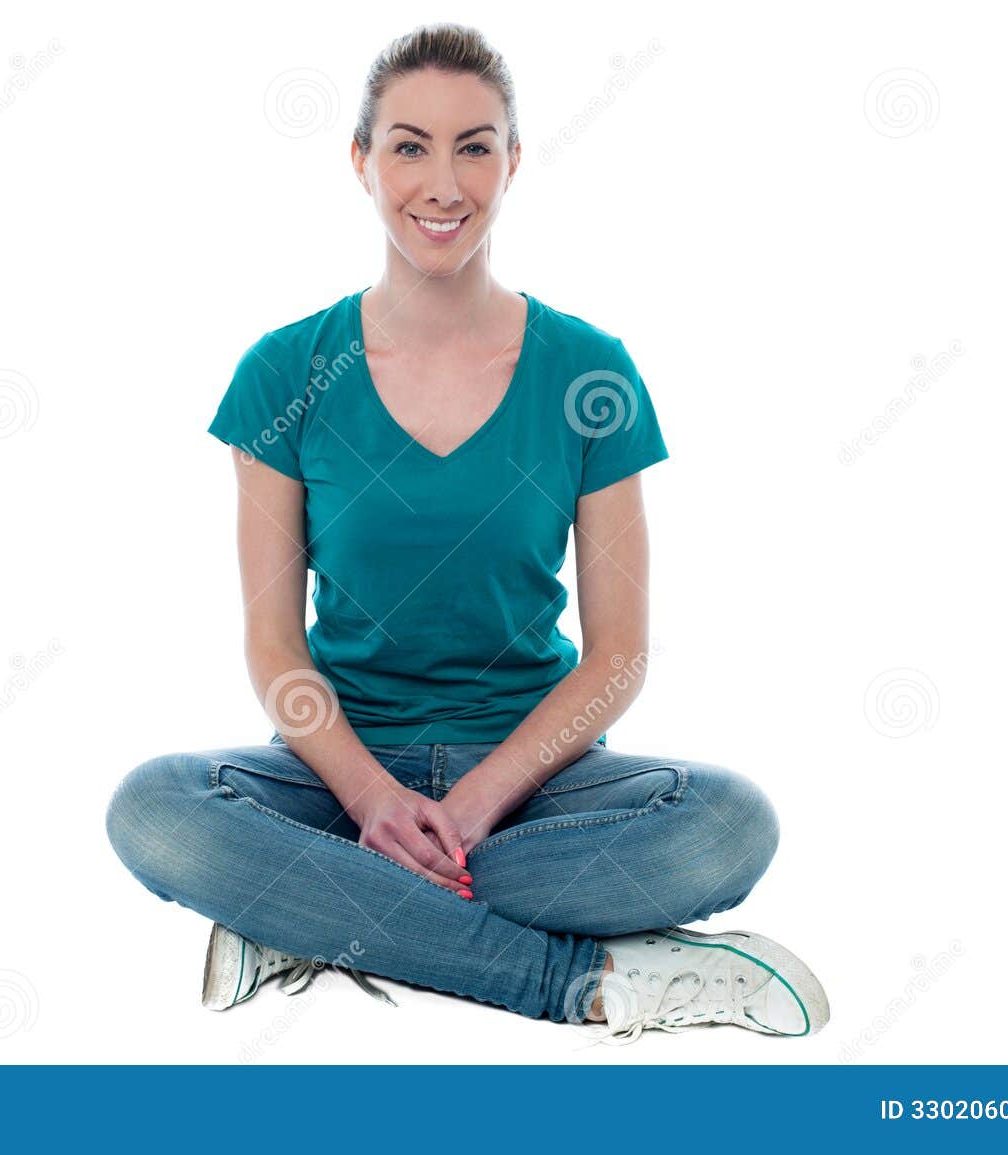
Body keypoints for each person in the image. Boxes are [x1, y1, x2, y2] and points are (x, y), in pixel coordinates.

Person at [105, 22, 829, 1044]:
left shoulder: (590, 374)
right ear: (360, 161)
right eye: (408, 145)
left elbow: (618, 655)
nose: (441, 183)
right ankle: (567, 982)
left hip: (539, 782)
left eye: (473, 146)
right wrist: (368, 799)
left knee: (730, 829)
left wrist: (485, 795)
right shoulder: (283, 374)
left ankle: (313, 912)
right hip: (337, 768)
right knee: (152, 807)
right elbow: (273, 649)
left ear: (513, 162)